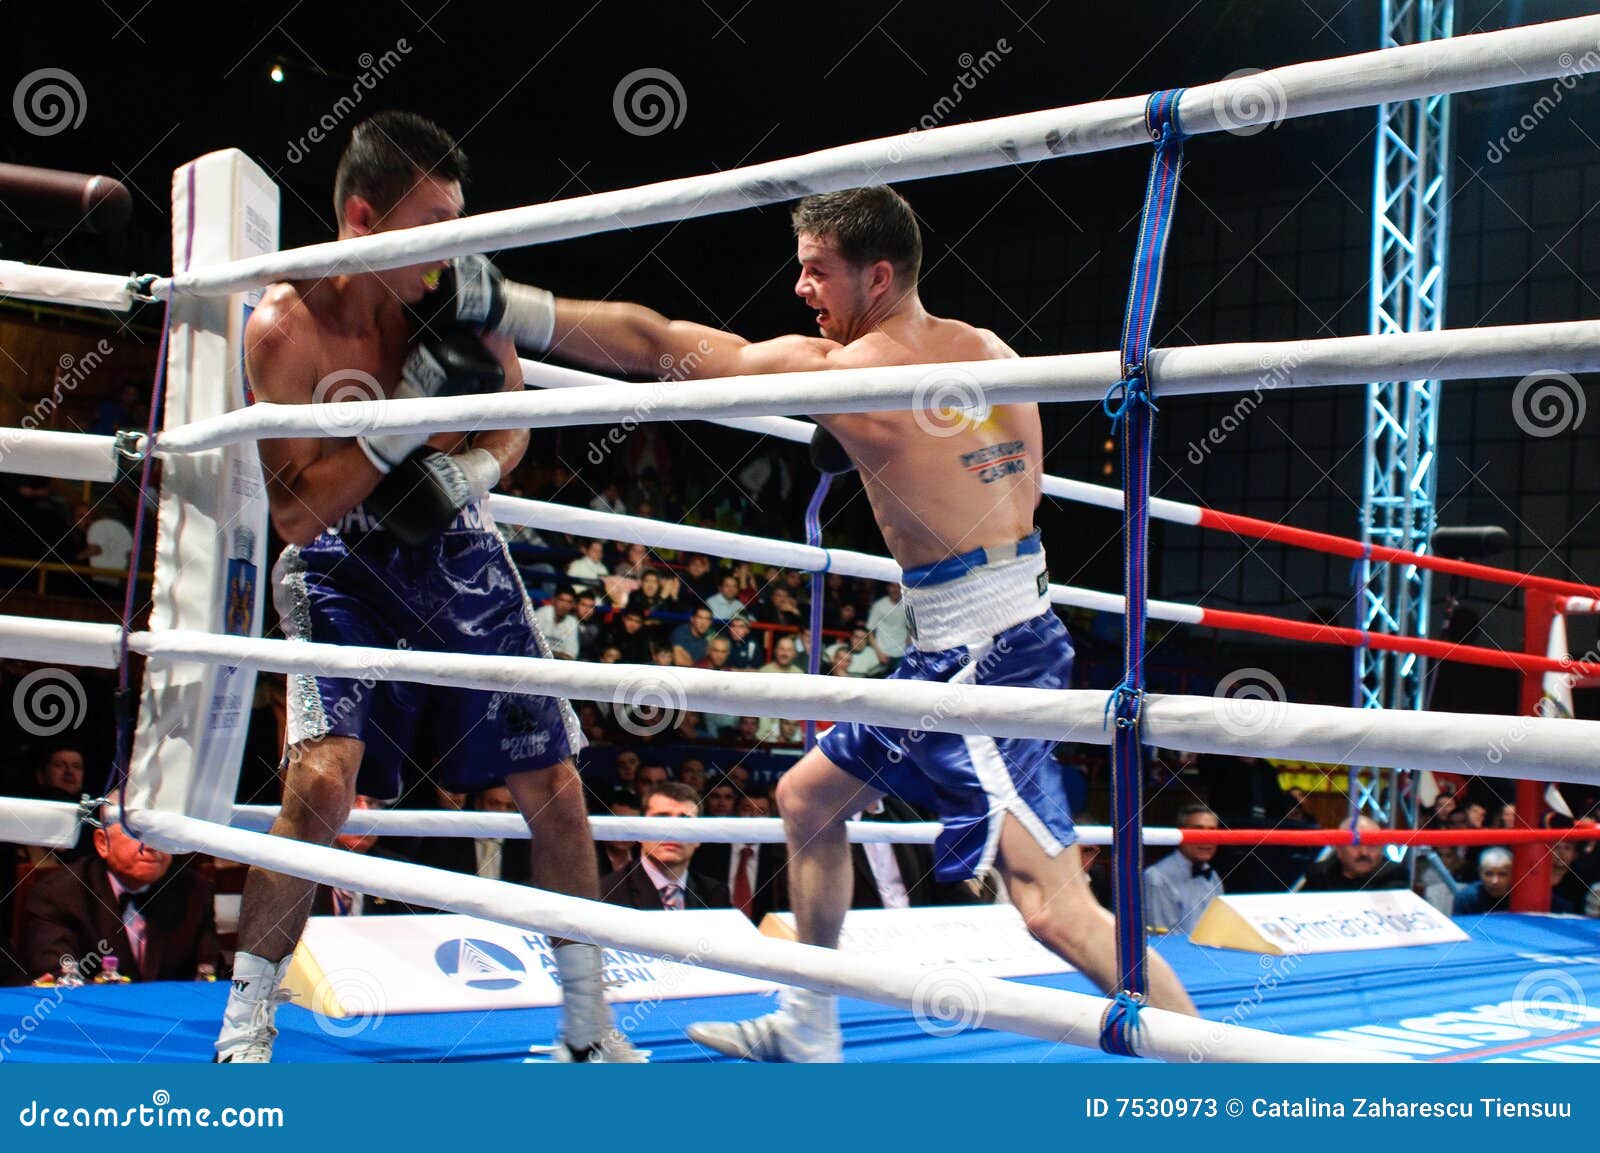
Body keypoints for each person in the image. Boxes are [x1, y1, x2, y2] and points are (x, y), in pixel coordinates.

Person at [537, 184, 1196, 1059]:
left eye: (817, 272)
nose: (802, 290)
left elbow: (666, 347)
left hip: (980, 655)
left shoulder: (858, 374)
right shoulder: (987, 349)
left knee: (1048, 903)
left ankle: (1224, 1071)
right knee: (807, 797)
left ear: (876, 276)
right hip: (987, 629)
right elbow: (1020, 483)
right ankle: (810, 1020)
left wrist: (515, 310)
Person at [217, 112, 637, 1063]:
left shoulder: (450, 293)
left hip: (457, 548)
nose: (450, 243)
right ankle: (246, 1021)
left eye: (457, 218)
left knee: (555, 785)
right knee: (321, 783)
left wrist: (467, 473)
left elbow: (511, 415)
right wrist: (391, 431)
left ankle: (588, 1025)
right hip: (341, 563)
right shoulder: (286, 328)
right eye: (433, 220)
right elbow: (294, 516)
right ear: (363, 218)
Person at [21, 805, 220, 983]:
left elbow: (210, 972)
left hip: (172, 1017)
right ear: (103, 843)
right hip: (93, 1018)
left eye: (160, 834)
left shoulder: (194, 890)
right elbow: (58, 978)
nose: (151, 846)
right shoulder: (59, 894)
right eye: (136, 833)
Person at [599, 783, 731, 910]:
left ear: (699, 838)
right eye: (661, 820)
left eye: (685, 822)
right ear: (640, 831)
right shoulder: (606, 892)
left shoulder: (716, 894)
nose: (672, 831)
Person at [1142, 804, 1224, 936]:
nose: (1207, 838)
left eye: (1212, 831)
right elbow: (1162, 939)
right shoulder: (1157, 877)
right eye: (1198, 831)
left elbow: (1220, 927)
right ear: (1180, 834)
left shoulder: (1212, 875)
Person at [1299, 816, 1410, 892]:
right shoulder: (1320, 874)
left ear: (1381, 848)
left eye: (1372, 845)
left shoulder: (1394, 874)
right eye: (1355, 845)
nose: (1364, 852)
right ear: (1339, 849)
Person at [1453, 847, 1513, 915]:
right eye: (1489, 874)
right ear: (1480, 872)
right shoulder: (1466, 898)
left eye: (1502, 874)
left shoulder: (1522, 897)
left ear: (1513, 873)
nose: (1495, 881)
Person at [866, 582, 910, 668]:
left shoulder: (908, 605)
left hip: (901, 655)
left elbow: (910, 631)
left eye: (898, 587)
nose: (896, 589)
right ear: (888, 588)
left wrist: (908, 652)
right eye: (893, 586)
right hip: (882, 653)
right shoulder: (879, 605)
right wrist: (878, 653)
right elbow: (869, 632)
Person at [534, 586, 581, 659]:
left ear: (573, 605)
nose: (564, 606)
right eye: (561, 600)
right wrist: (558, 654)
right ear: (553, 600)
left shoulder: (572, 622)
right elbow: (531, 646)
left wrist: (547, 652)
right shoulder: (542, 613)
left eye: (569, 602)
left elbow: (571, 656)